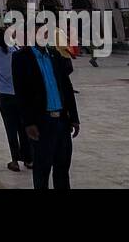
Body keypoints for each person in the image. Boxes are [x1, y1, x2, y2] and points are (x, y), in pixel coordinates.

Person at [11, 39, 80, 189]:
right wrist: (28, 123)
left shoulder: (55, 55)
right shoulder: (21, 57)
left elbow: (67, 87)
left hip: (62, 121)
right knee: (42, 170)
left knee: (62, 168)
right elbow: (21, 93)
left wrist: (74, 117)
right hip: (41, 123)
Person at [0, 26, 30, 172]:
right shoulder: (14, 50)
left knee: (10, 127)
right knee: (23, 126)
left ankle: (15, 160)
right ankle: (29, 159)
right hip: (19, 93)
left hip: (4, 95)